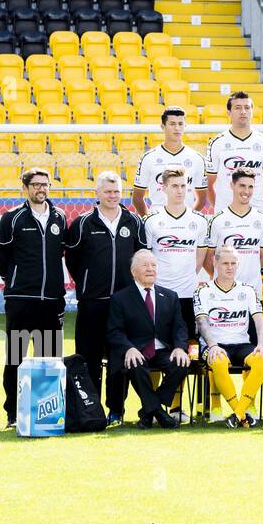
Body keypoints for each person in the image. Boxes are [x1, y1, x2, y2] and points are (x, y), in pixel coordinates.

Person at [63, 171, 148, 427]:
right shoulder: (82, 223)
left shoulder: (133, 221)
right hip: (92, 304)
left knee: (119, 360)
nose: (112, 196)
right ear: (97, 193)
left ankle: (116, 410)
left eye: (116, 192)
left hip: (123, 306)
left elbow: (141, 256)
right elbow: (72, 260)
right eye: (108, 192)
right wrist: (88, 283)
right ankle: (90, 409)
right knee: (88, 358)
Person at [0, 168, 68, 429]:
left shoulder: (59, 216)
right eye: (35, 185)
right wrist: (15, 281)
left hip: (51, 301)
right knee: (16, 357)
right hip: (21, 300)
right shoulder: (12, 218)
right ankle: (13, 413)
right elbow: (0, 256)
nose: (41, 189)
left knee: (49, 359)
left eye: (45, 185)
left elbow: (62, 254)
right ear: (25, 188)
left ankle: (44, 412)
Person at [142, 168, 205, 421]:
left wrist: (187, 279)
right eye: (175, 186)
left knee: (185, 351)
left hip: (187, 297)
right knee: (155, 350)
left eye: (183, 186)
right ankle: (154, 406)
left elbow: (200, 258)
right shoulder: (152, 221)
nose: (180, 191)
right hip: (159, 299)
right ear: (163, 189)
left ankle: (176, 408)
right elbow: (147, 259)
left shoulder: (199, 221)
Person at [107, 251, 188, 429]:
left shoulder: (170, 296)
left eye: (153, 265)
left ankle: (149, 411)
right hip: (136, 350)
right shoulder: (120, 298)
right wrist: (128, 348)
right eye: (145, 265)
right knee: (135, 364)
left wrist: (180, 348)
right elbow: (114, 331)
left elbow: (180, 327)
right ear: (133, 271)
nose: (150, 269)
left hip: (162, 350)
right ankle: (159, 413)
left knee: (181, 363)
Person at [194, 246, 263, 428]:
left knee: (261, 359)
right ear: (215, 263)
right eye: (225, 263)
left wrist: (260, 343)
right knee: (218, 360)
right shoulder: (203, 291)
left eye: (233, 263)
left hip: (241, 344)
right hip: (215, 344)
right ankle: (242, 414)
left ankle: (237, 413)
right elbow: (202, 322)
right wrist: (212, 345)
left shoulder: (248, 290)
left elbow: (259, 319)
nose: (229, 267)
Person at [203, 91, 263, 211]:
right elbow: (209, 185)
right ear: (229, 112)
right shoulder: (217, 143)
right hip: (225, 212)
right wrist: (221, 207)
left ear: (252, 111)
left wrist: (257, 202)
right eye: (237, 108)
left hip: (256, 212)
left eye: (247, 107)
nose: (243, 111)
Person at [200, 168, 263, 286]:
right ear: (232, 186)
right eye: (242, 186)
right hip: (224, 294)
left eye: (250, 187)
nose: (246, 191)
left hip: (253, 292)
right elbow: (207, 259)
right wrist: (223, 279)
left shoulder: (262, 220)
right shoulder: (218, 220)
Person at [131, 106, 207, 215]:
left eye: (180, 124)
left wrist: (189, 217)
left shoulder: (197, 158)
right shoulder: (148, 158)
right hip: (157, 222)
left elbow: (202, 199)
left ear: (185, 126)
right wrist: (148, 220)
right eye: (172, 124)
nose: (177, 128)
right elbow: (137, 198)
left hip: (185, 224)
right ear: (163, 126)